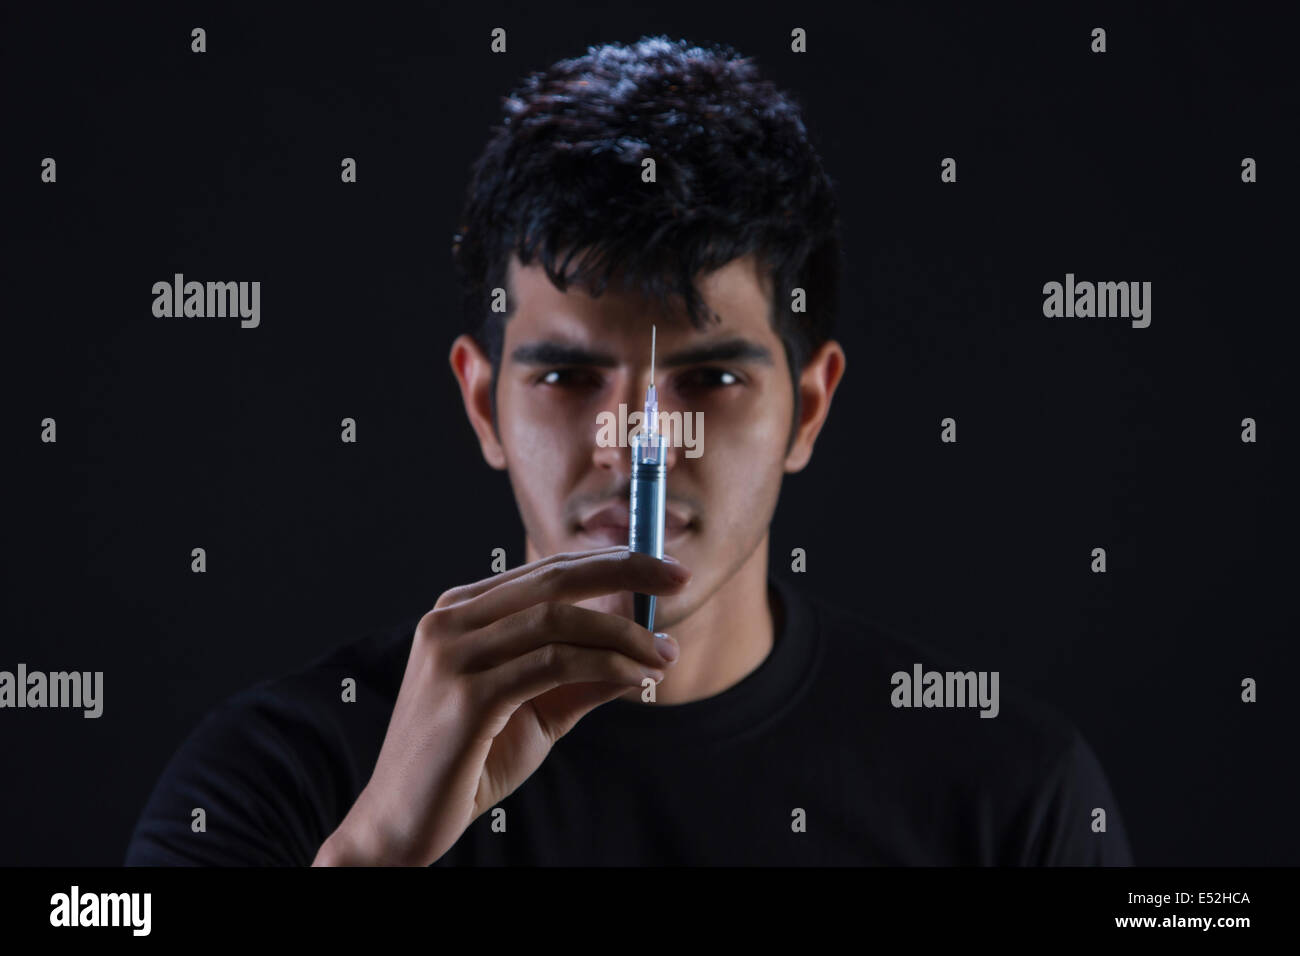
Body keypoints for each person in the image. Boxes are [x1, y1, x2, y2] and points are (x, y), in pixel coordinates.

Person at [125, 35, 1133, 867]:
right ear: (482, 404)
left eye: (712, 377)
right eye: (566, 377)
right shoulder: (274, 776)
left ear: (809, 408)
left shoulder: (1007, 793)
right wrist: (381, 847)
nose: (634, 442)